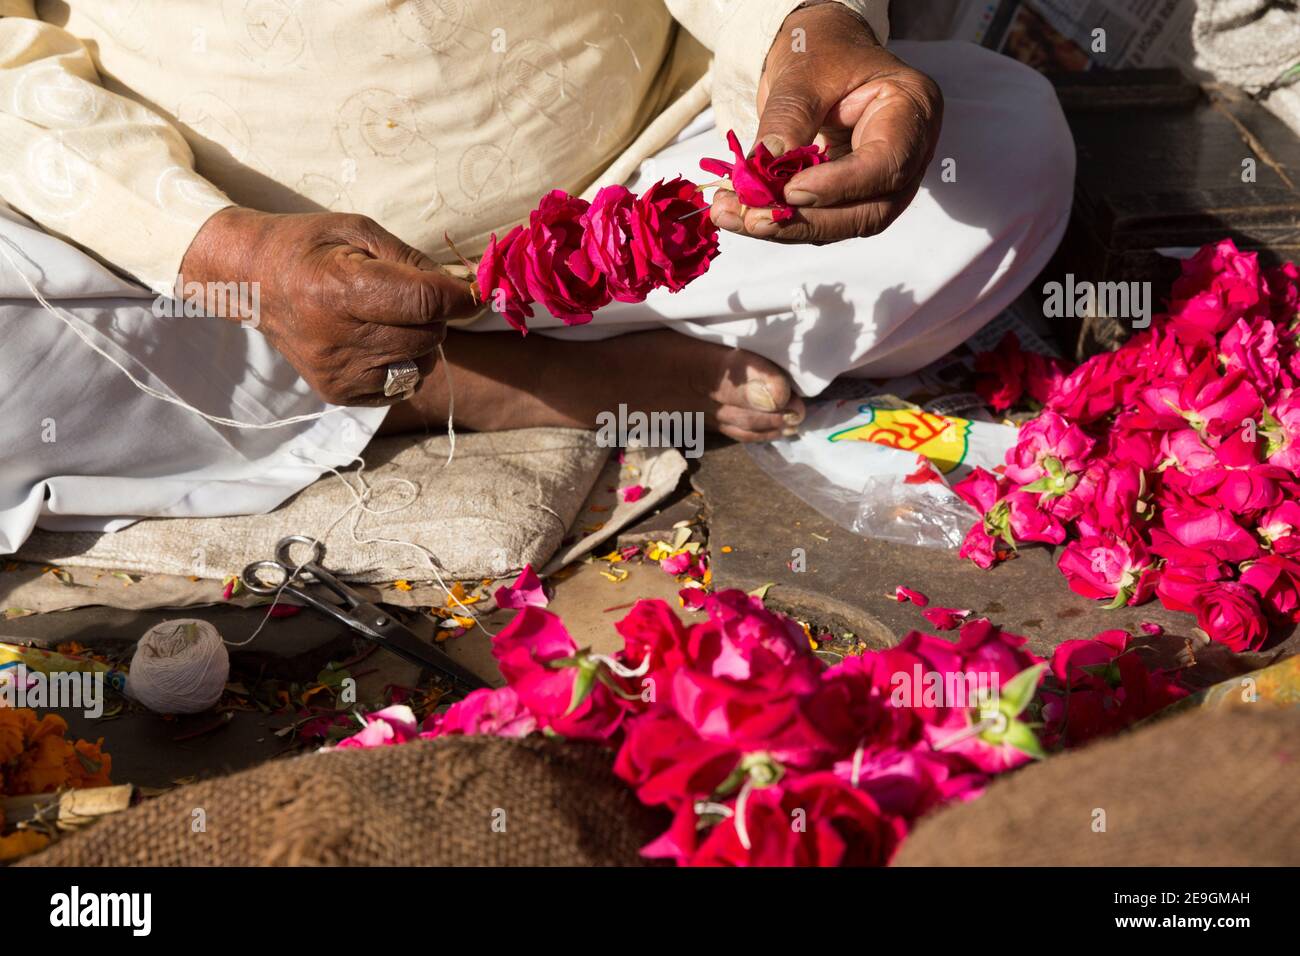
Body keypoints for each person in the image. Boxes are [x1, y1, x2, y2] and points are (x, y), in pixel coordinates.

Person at [0, 0, 1074, 553]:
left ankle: (372, 368)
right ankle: (441, 382)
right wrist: (223, 249)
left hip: (636, 194)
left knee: (1000, 151)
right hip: (191, 254)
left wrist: (804, 31)